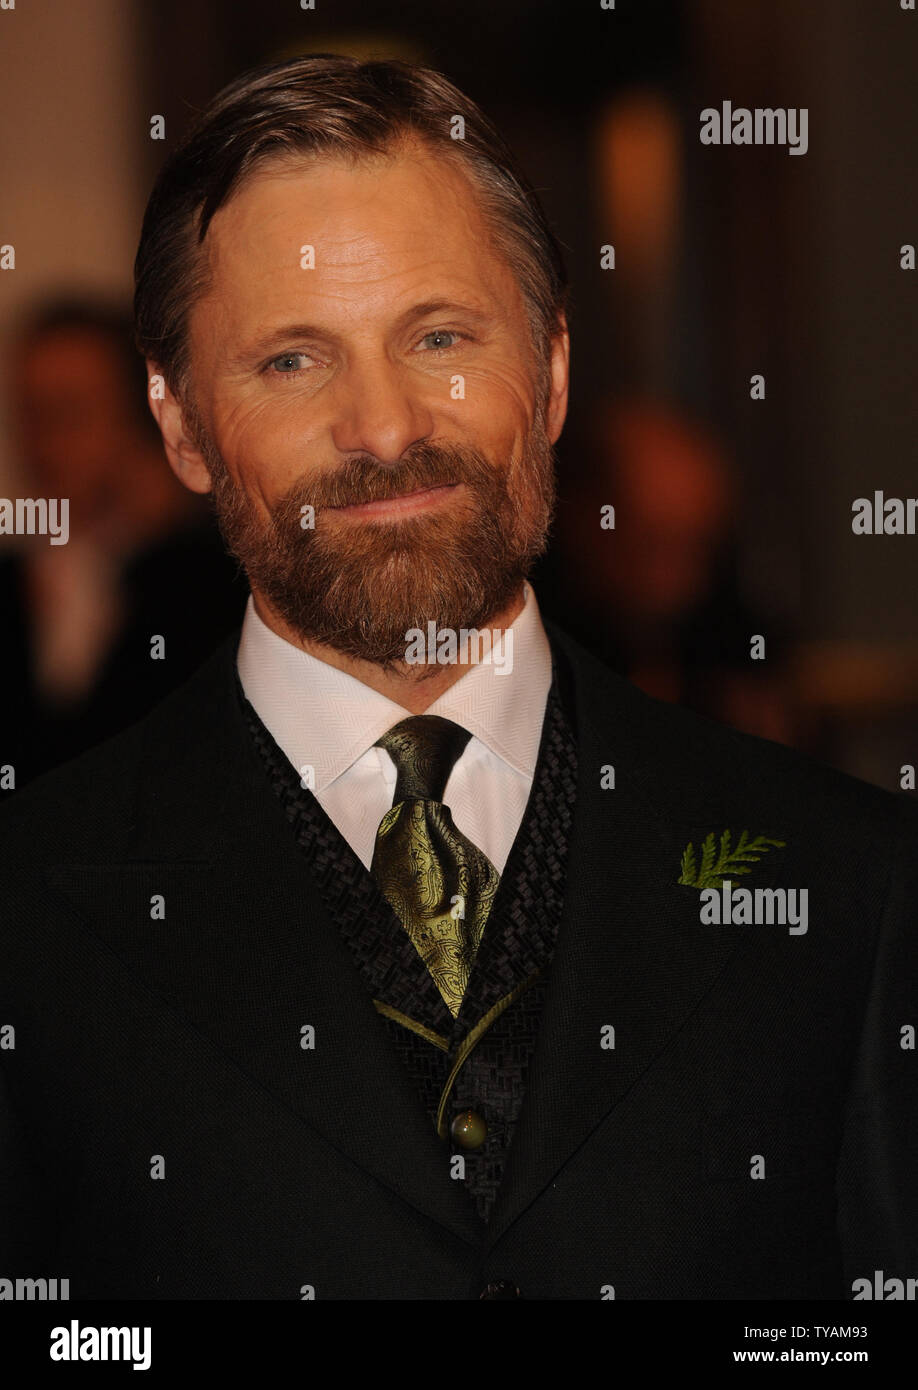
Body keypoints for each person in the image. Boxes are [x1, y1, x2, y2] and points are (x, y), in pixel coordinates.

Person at [0, 55, 915, 1301]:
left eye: (438, 336)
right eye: (292, 362)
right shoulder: (32, 910)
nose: (383, 427)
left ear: (548, 372)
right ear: (178, 426)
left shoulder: (844, 881)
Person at [0, 301, 246, 785]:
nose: (43, 443)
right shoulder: (13, 577)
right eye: (30, 413)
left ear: (139, 419)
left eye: (71, 414)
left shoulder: (207, 578)